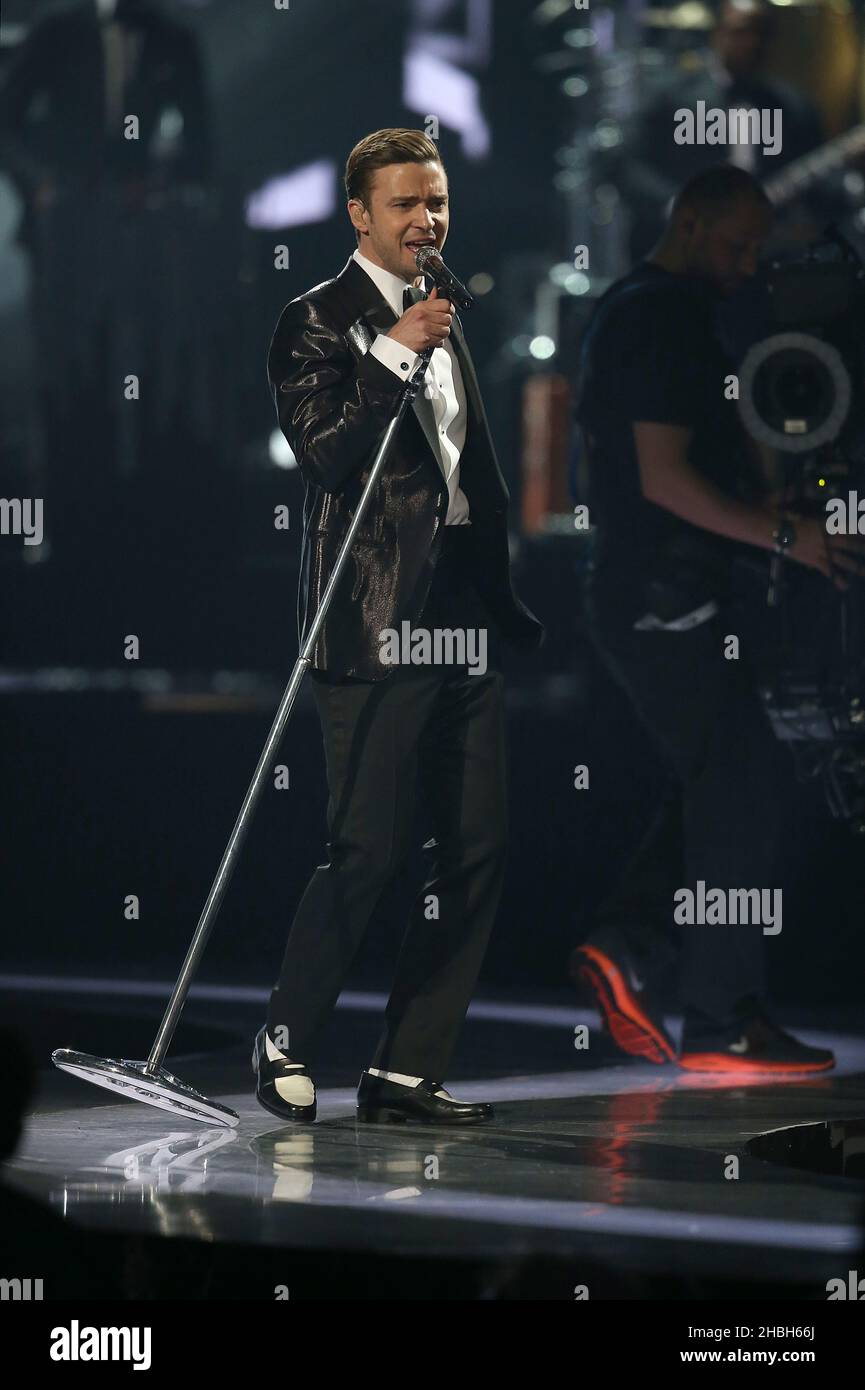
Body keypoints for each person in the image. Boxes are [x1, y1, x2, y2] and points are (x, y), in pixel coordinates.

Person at [259, 128, 544, 1125]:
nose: (426, 220)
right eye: (404, 206)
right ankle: (286, 1036)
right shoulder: (316, 320)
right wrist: (389, 351)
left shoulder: (445, 312)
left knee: (475, 844)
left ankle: (405, 1065)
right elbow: (327, 458)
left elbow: (469, 471)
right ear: (358, 215)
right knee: (369, 846)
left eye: (437, 203)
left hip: (458, 609)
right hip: (374, 616)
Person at [570, 165, 865, 1073]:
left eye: (755, 250)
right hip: (662, 597)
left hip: (666, 594)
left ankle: (644, 958)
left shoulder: (665, 311)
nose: (746, 266)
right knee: (740, 779)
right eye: (734, 246)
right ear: (687, 223)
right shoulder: (656, 314)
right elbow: (662, 479)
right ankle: (712, 1010)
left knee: (725, 777)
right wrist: (789, 536)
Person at [621, 0, 828, 259]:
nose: (752, 42)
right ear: (718, 33)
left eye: (761, 33)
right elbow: (628, 167)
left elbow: (822, 188)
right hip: (680, 250)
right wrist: (674, 207)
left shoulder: (794, 107)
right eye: (741, 31)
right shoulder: (670, 97)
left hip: (762, 252)